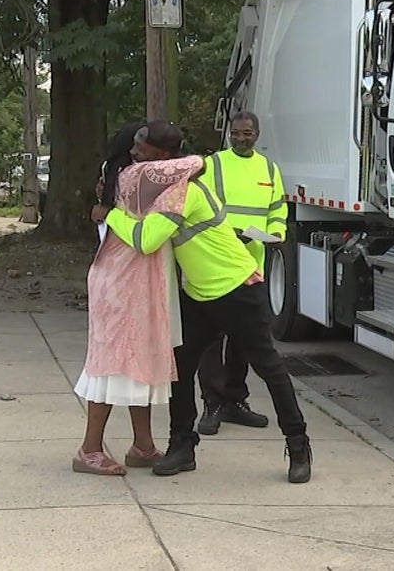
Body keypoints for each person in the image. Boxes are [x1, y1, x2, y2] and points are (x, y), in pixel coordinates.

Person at [99, 132, 313, 484]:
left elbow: (145, 240)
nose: (134, 153)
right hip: (199, 294)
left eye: (141, 147)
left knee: (269, 368)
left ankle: (299, 445)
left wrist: (109, 215)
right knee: (180, 369)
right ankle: (182, 446)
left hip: (236, 288)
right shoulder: (166, 186)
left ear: (163, 155)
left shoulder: (181, 192)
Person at [72, 121, 203, 476]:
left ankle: (142, 445)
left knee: (137, 364)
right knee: (111, 366)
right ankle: (89, 449)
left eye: (141, 143)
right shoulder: (140, 176)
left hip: (132, 279)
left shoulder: (122, 174)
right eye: (135, 143)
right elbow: (197, 163)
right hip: (123, 281)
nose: (135, 149)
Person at [194, 111, 288, 436]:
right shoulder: (214, 164)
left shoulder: (269, 169)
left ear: (257, 135)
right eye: (235, 133)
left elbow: (277, 208)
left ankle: (235, 400)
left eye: (246, 133)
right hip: (217, 264)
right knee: (211, 339)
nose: (240, 138)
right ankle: (212, 403)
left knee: (244, 339)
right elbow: (201, 207)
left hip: (252, 265)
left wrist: (276, 233)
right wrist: (229, 233)